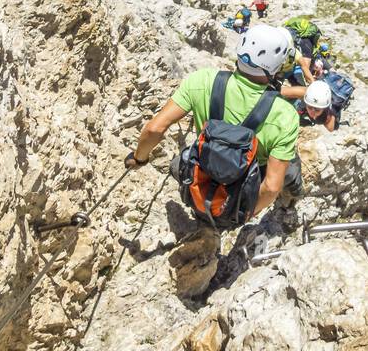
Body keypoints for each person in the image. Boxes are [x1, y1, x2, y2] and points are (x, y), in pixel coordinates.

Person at [126, 24, 303, 217]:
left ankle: (203, 207)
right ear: (277, 65)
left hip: (201, 180)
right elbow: (271, 187)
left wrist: (138, 158)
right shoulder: (285, 114)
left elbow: (154, 129)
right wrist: (243, 214)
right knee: (291, 166)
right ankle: (292, 198)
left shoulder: (202, 80)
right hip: (238, 198)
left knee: (176, 163)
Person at [282, 16, 323, 83]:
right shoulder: (307, 44)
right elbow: (305, 68)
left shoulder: (294, 39)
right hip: (289, 74)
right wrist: (311, 82)